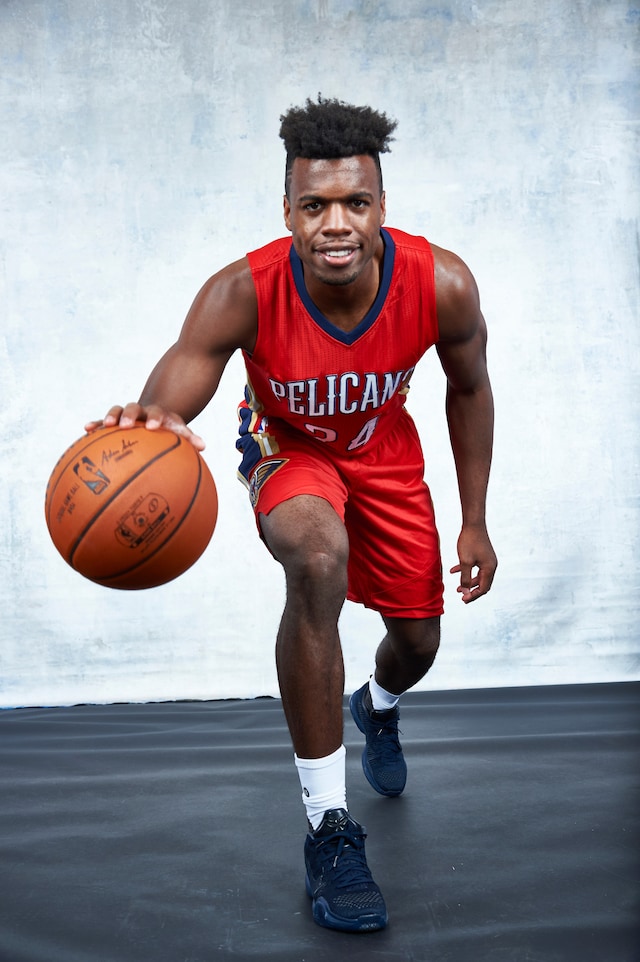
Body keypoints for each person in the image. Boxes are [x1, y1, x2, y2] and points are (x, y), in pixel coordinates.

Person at [86, 96, 497, 934]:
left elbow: (469, 388)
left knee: (418, 639)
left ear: (383, 207)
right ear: (288, 212)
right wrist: (150, 426)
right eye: (314, 206)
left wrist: (475, 519)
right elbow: (176, 393)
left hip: (384, 450)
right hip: (287, 447)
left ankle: (377, 703)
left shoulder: (442, 283)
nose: (335, 224)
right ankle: (327, 825)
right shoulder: (242, 289)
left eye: (354, 203)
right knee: (315, 554)